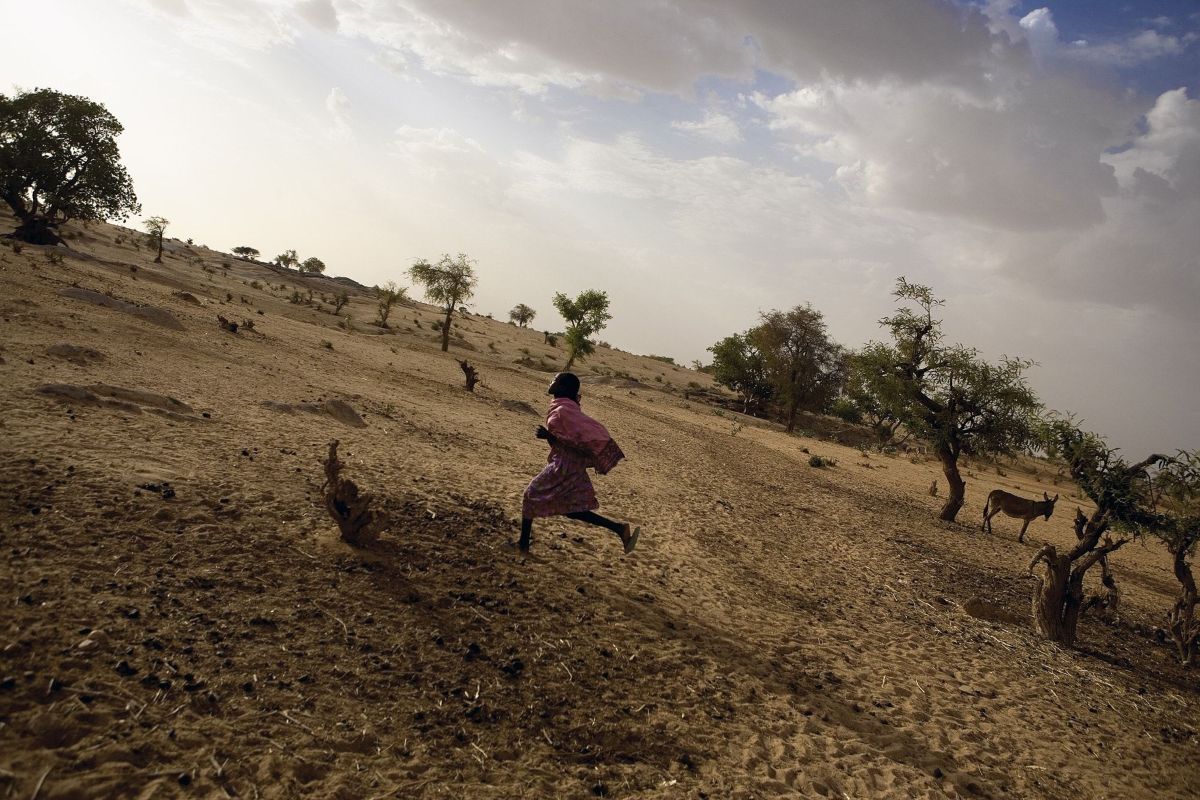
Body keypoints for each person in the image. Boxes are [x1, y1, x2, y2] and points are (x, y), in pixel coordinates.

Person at [519, 372, 639, 555]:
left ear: (563, 387)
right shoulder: (566, 408)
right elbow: (568, 440)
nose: (552, 382)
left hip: (564, 467)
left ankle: (522, 546)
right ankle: (619, 529)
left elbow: (574, 443)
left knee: (530, 495)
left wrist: (549, 436)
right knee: (572, 508)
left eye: (556, 380)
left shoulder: (563, 411)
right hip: (571, 465)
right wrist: (551, 437)